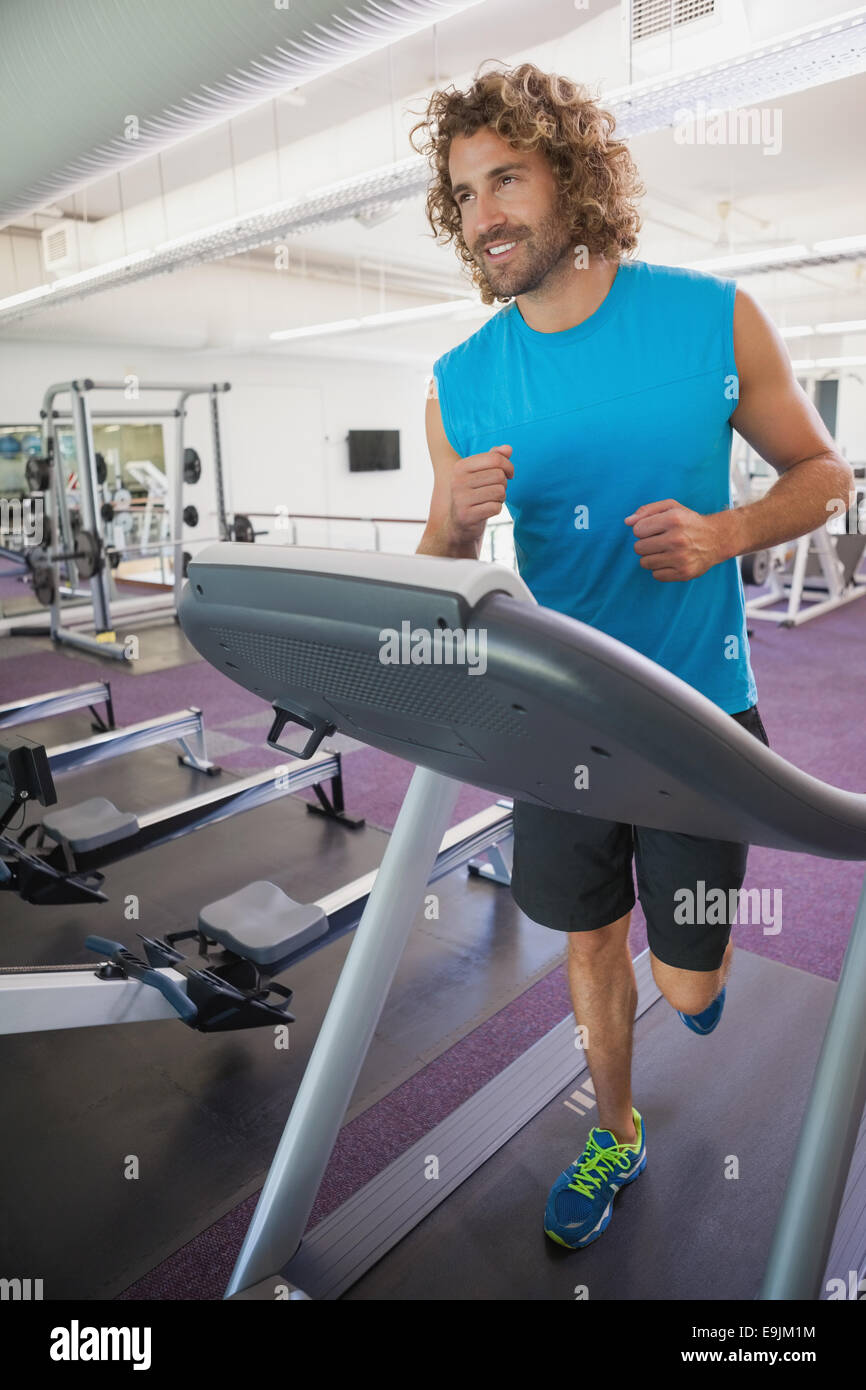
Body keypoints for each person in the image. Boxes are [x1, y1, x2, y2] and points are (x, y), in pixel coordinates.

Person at [411, 61, 853, 1250]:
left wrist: (726, 530)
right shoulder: (461, 380)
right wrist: (451, 521)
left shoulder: (710, 318)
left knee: (689, 987)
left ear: (573, 176)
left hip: (698, 714)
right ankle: (613, 1125)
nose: (484, 212)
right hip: (557, 723)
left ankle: (697, 978)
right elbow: (438, 572)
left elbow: (824, 475)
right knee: (590, 939)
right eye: (463, 193)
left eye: (506, 176)